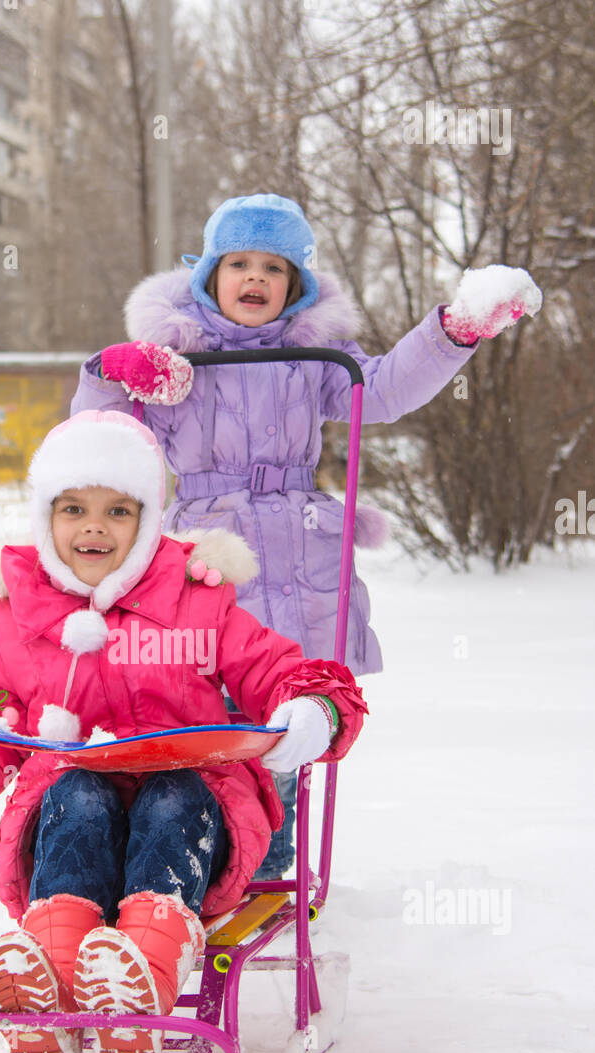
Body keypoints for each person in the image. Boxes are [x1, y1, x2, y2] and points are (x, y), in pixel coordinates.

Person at [0, 410, 367, 1053]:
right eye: (72, 508)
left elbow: (273, 667)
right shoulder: (14, 619)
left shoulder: (198, 598)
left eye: (117, 510)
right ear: (45, 518)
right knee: (75, 792)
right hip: (69, 825)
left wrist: (313, 707)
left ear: (149, 516)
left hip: (193, 822)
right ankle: (53, 977)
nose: (93, 526)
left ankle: (142, 981)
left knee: (170, 795)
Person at [70, 191, 542, 874]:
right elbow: (101, 440)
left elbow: (379, 389)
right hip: (209, 554)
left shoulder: (313, 355)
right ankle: (188, 854)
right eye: (240, 263)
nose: (256, 279)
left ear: (295, 285)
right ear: (210, 273)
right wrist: (112, 376)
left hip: (299, 558)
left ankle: (265, 864)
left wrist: (454, 330)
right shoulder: (176, 359)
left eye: (274, 267)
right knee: (210, 716)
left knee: (282, 721)